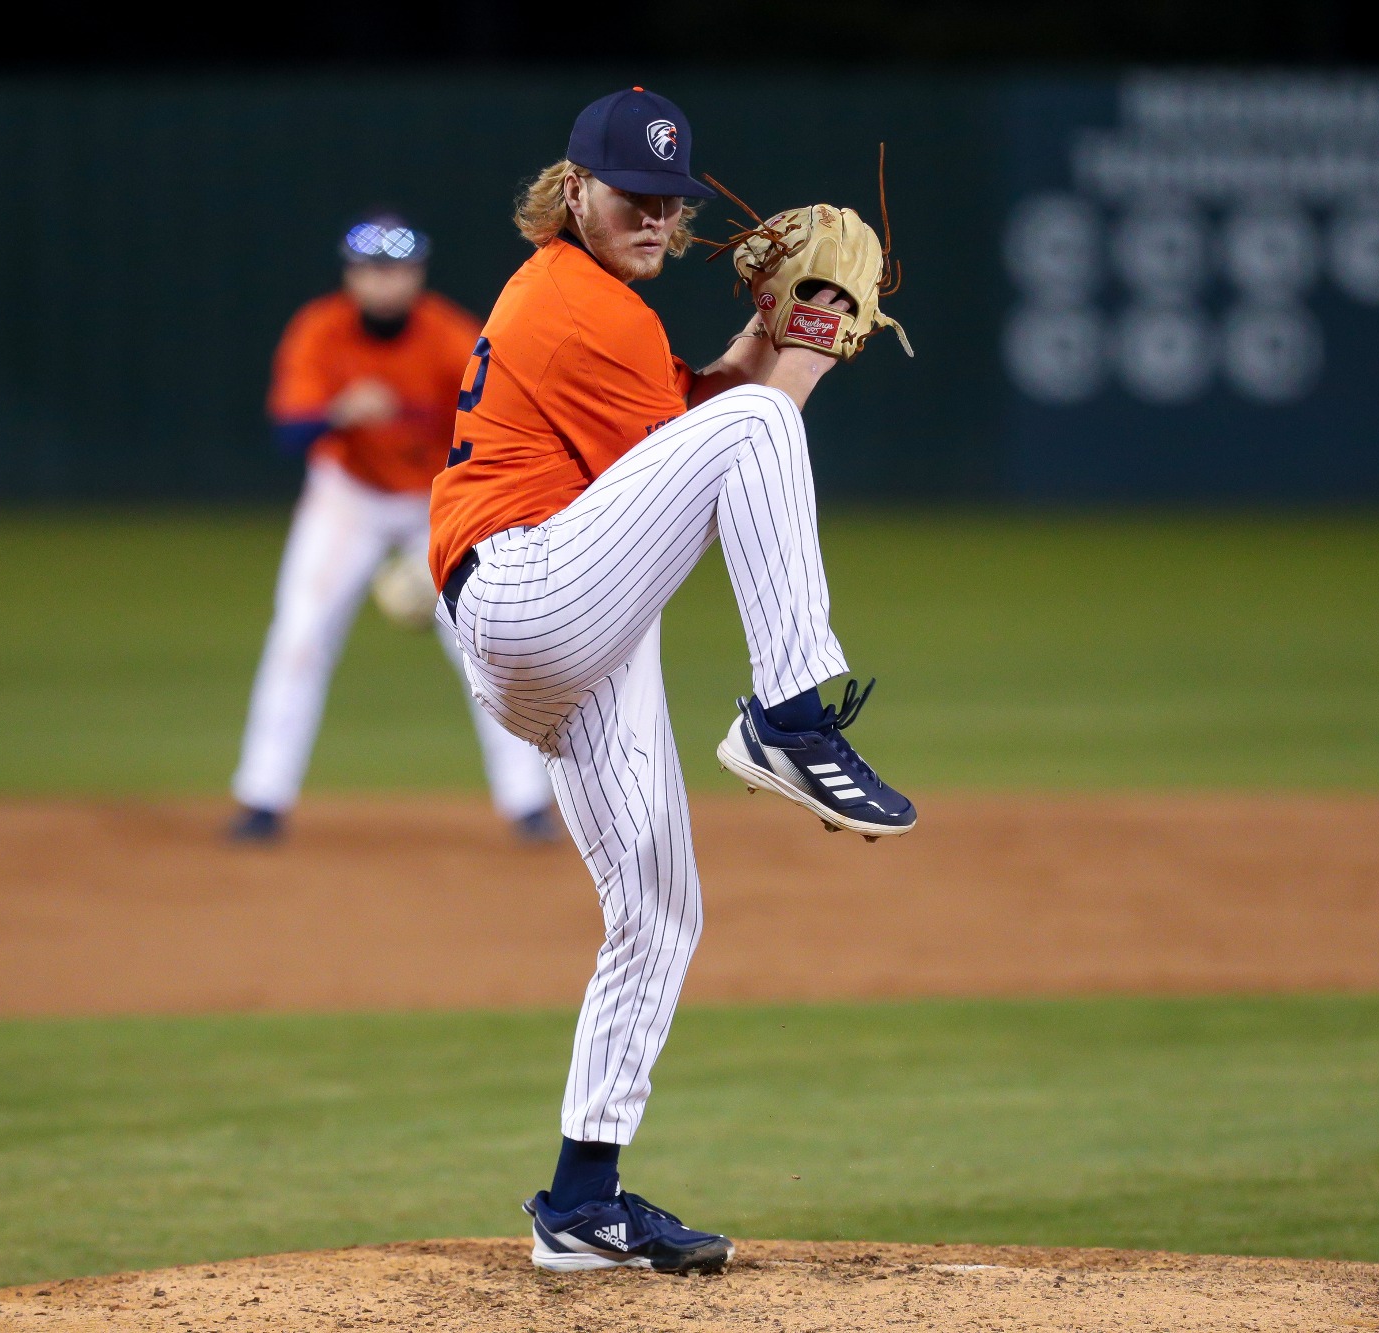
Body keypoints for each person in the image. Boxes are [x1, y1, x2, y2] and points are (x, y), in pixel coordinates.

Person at [429, 89, 917, 1274]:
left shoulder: (600, 305)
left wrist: (769, 344)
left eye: (669, 198)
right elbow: (734, 437)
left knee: (657, 911)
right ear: (573, 188)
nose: (653, 213)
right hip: (529, 589)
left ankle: (578, 1203)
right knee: (759, 429)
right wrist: (795, 348)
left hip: (568, 624)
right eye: (628, 193)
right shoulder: (572, 300)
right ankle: (787, 714)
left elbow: (676, 438)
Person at [229, 212, 558, 844]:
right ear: (351, 276)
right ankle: (263, 797)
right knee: (299, 633)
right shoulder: (320, 330)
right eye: (372, 270)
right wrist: (337, 412)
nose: (384, 283)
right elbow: (287, 432)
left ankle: (527, 802)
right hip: (347, 498)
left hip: (436, 503)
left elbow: (498, 428)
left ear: (418, 275)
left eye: (397, 270)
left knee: (485, 644)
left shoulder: (450, 335)